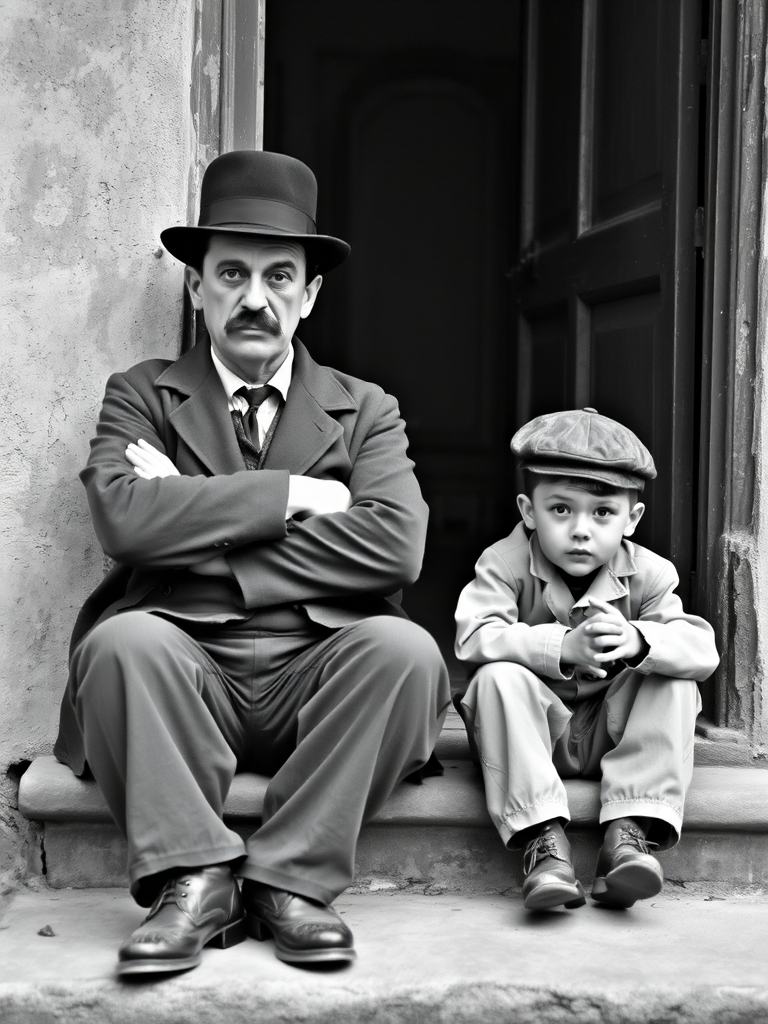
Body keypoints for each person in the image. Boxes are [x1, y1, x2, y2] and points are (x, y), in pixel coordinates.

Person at [54, 150, 450, 974]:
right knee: (121, 644)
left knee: (406, 653)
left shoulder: (365, 408)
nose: (255, 298)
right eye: (231, 274)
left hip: (320, 668)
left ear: (309, 295)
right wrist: (297, 495)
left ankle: (289, 881)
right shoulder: (142, 394)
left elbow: (395, 544)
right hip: (183, 667)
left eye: (279, 277)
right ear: (196, 287)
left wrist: (196, 527)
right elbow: (124, 522)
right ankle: (194, 880)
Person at [454, 408, 718, 912]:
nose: (580, 530)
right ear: (528, 511)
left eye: (602, 513)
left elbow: (701, 651)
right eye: (560, 509)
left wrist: (639, 641)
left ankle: (628, 833)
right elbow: (474, 637)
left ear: (631, 519)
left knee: (675, 677)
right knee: (495, 677)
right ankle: (544, 845)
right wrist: (561, 647)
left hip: (613, 738)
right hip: (532, 742)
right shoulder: (503, 563)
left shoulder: (650, 573)